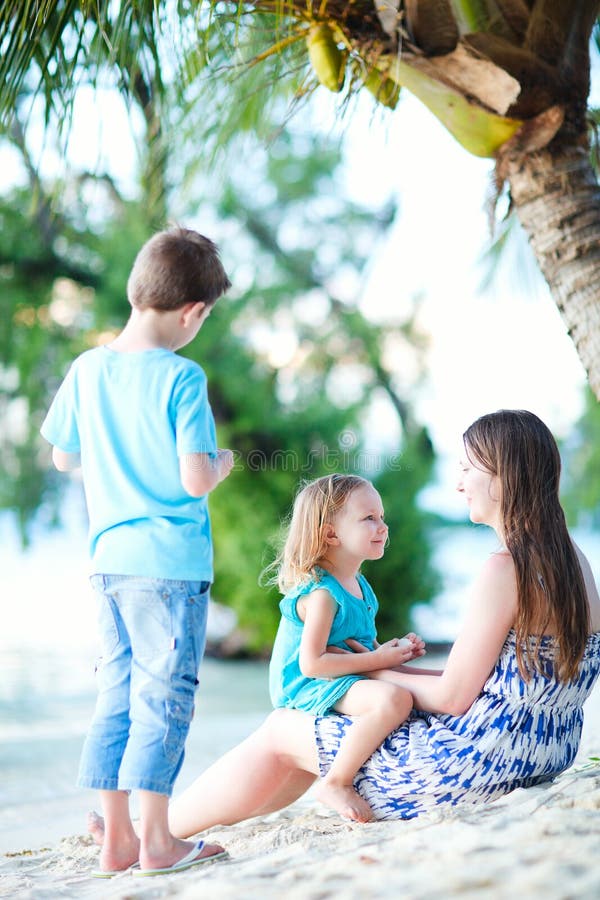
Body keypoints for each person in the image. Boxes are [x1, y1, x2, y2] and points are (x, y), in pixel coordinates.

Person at [89, 409, 600, 843]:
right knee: (303, 744)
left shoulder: (504, 568)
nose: (459, 482)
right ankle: (158, 832)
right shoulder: (575, 562)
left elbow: (452, 699)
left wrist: (372, 671)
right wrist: (389, 669)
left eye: (469, 469)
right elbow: (494, 684)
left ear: (505, 475)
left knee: (280, 731)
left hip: (474, 768)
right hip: (540, 754)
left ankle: (148, 835)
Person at [41, 227, 234, 877]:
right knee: (165, 696)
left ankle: (116, 837)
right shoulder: (183, 377)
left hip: (108, 561)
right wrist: (225, 461)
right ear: (193, 312)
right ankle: (157, 841)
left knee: (117, 692)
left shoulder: (88, 369)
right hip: (170, 565)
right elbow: (195, 479)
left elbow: (65, 454)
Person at [267, 474, 424, 822]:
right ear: (330, 534)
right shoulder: (323, 594)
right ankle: (336, 782)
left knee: (409, 686)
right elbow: (311, 664)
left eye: (381, 517)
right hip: (306, 685)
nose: (382, 526)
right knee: (394, 699)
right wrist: (379, 659)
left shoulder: (360, 585)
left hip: (338, 673)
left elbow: (359, 647)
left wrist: (392, 650)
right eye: (369, 518)